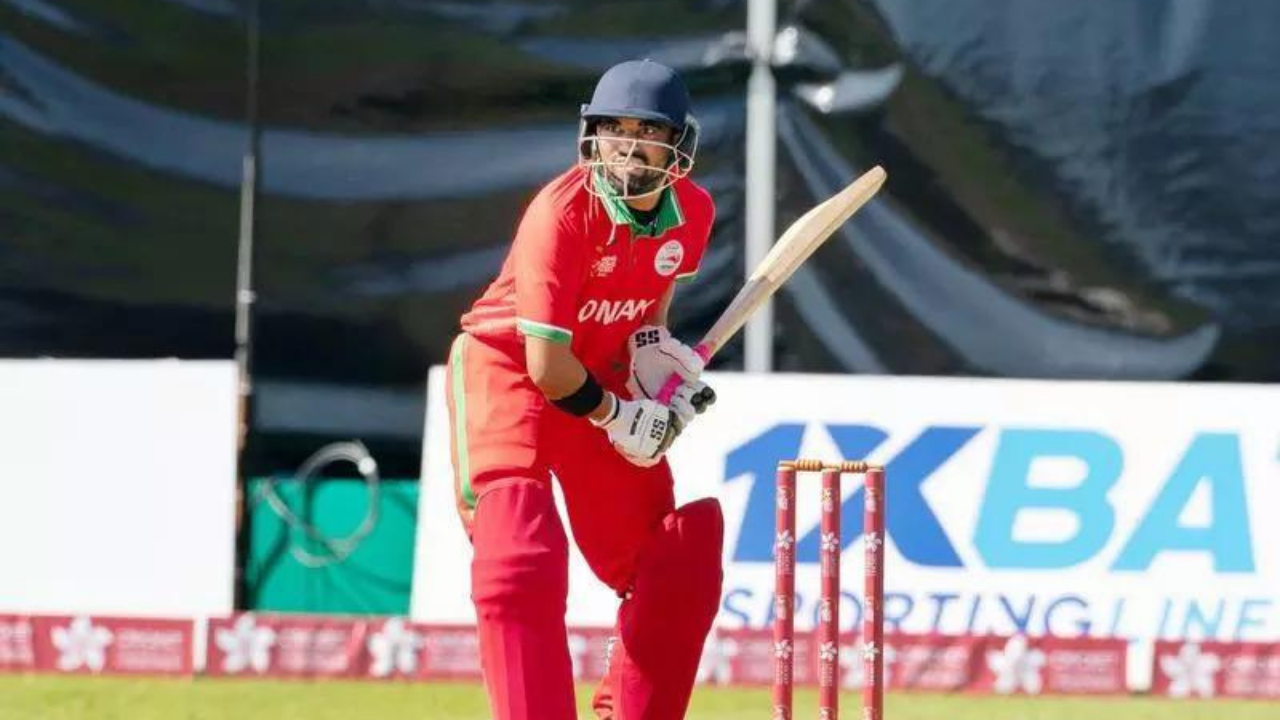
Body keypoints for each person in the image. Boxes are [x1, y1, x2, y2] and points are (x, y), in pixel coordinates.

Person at [444, 59, 723, 720]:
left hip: (600, 376)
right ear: (592, 136)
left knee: (676, 559)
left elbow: (648, 297)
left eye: (646, 132)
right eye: (614, 129)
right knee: (519, 558)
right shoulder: (562, 212)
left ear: (677, 143)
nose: (628, 146)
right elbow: (546, 364)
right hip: (510, 372)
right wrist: (621, 415)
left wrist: (650, 350)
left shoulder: (694, 211)